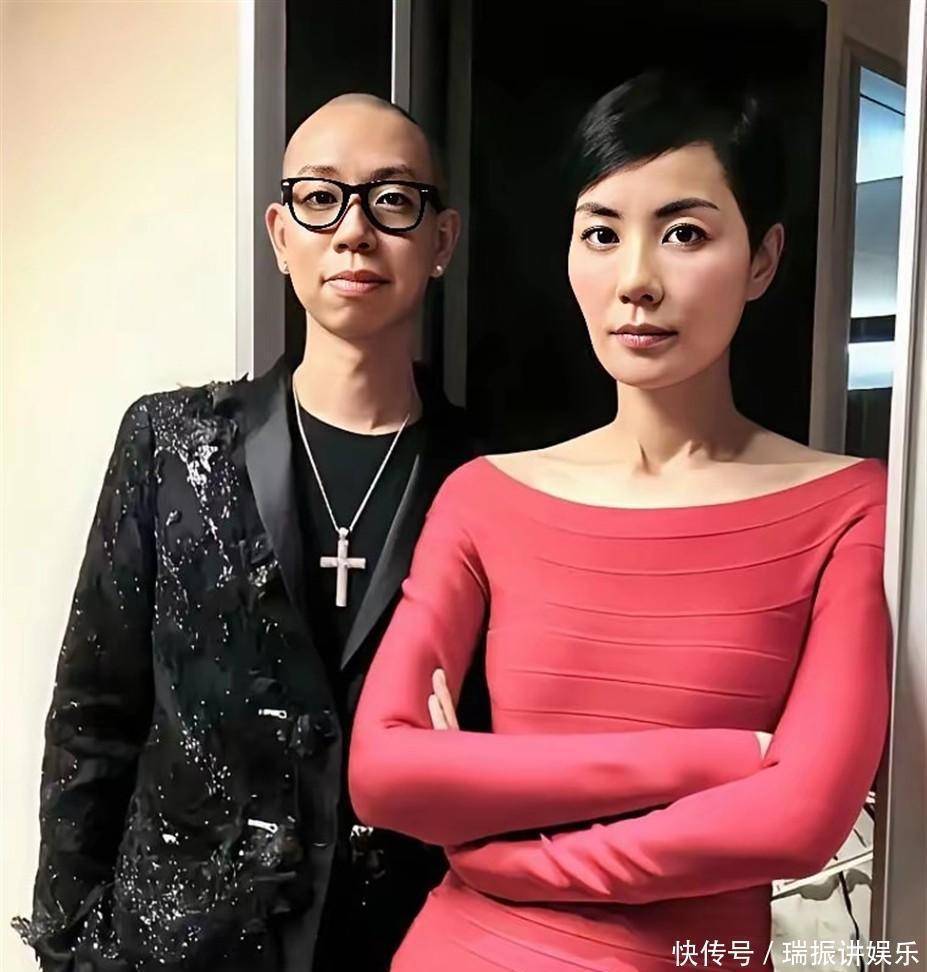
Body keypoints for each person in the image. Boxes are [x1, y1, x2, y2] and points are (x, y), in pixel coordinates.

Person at [347, 69, 893, 971]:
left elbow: (799, 821)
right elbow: (382, 774)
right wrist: (725, 761)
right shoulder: (485, 496)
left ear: (761, 259)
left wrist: (506, 850)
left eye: (684, 234)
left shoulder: (849, 505)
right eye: (600, 233)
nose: (635, 280)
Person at [13, 92, 482, 972]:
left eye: (392, 200)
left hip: (405, 942)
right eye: (320, 199)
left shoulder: (490, 477)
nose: (353, 231)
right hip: (176, 947)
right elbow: (92, 715)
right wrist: (68, 943)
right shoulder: (170, 442)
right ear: (279, 233)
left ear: (441, 240)